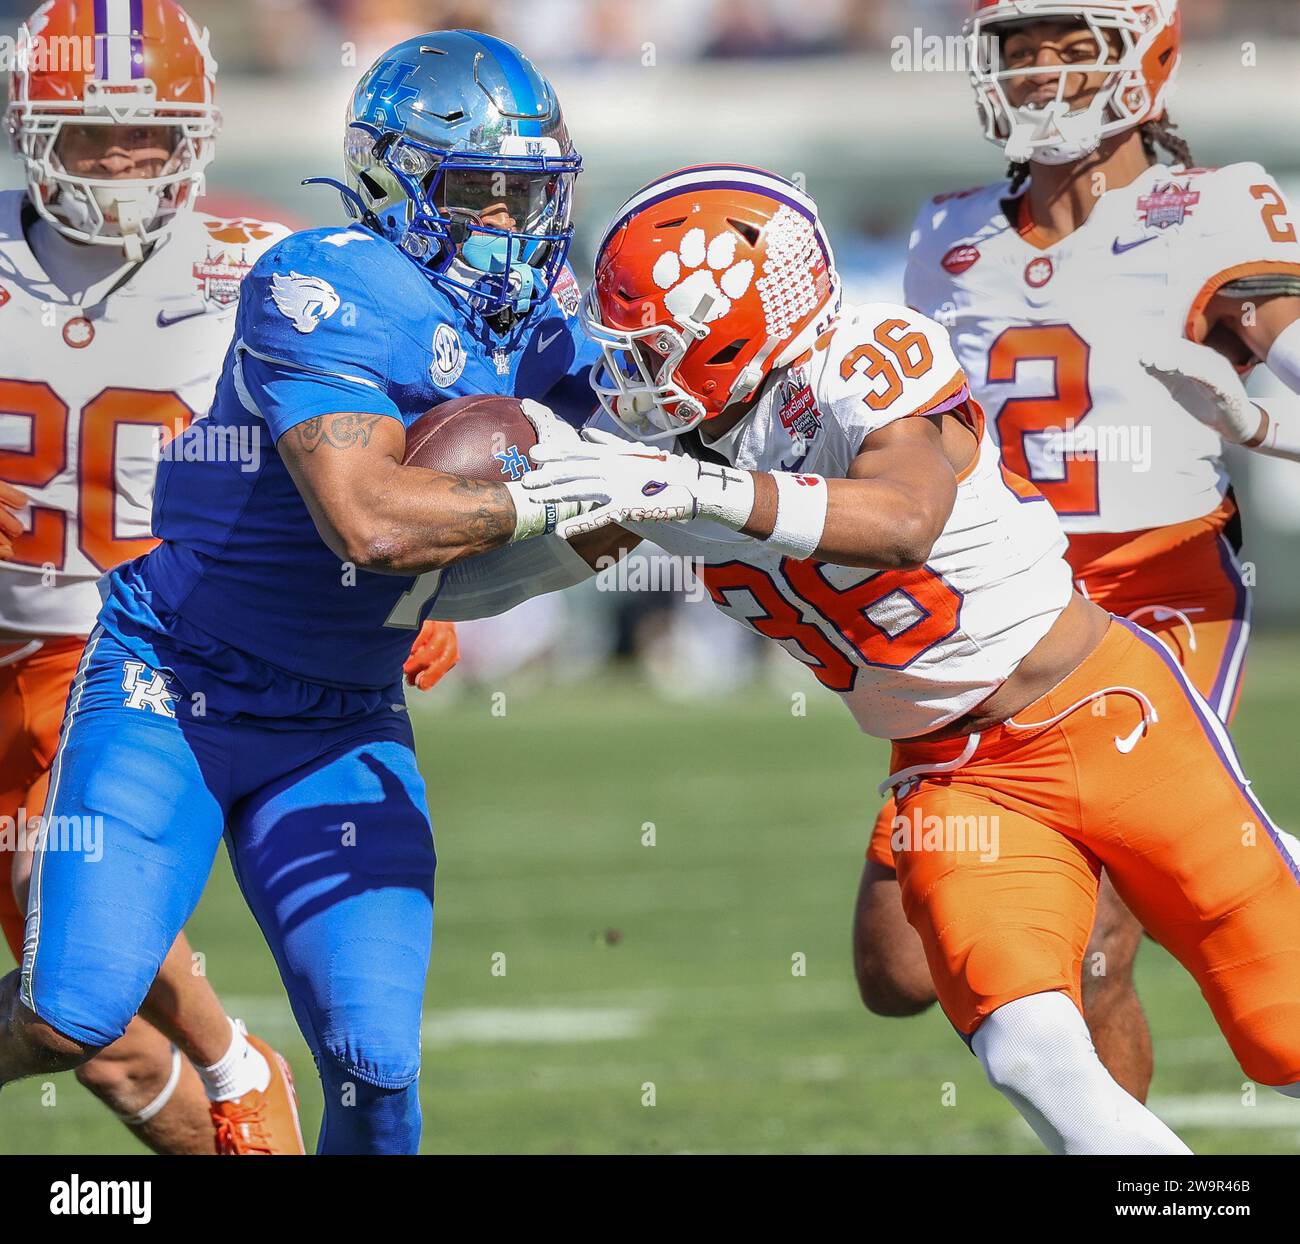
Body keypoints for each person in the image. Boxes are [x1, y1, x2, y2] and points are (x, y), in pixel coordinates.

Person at [458, 163, 1300, 1153]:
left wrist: (692, 489)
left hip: (1101, 713)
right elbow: (521, 574)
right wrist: (415, 611)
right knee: (1028, 1050)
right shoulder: (656, 448)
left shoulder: (858, 357)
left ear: (741, 322)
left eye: (655, 348)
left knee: (1279, 1032)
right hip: (953, 773)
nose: (628, 376)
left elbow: (902, 521)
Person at [0, 28, 598, 1155]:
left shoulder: (547, 315)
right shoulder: (321, 272)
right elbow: (369, 519)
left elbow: (648, 448)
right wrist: (577, 495)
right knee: (71, 1009)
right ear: (392, 176)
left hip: (340, 712)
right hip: (171, 679)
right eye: (476, 190)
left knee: (377, 1061)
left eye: (526, 195)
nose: (505, 226)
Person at [851, 0, 1300, 1105]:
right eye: (1018, 50)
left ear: (1143, 55)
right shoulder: (944, 232)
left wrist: (1253, 426)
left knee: (1096, 930)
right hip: (988, 606)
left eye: (1069, 47)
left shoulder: (1212, 205)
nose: (1041, 73)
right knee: (898, 964)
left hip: (1157, 589)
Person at [0, 0, 304, 1154]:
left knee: (71, 961)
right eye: (90, 132)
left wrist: (397, 593)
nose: (122, 158)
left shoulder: (260, 266)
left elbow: (369, 439)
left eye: (149, 131)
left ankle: (235, 1060)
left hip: (132, 649)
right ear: (35, 129)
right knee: (101, 1040)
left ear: (198, 132)